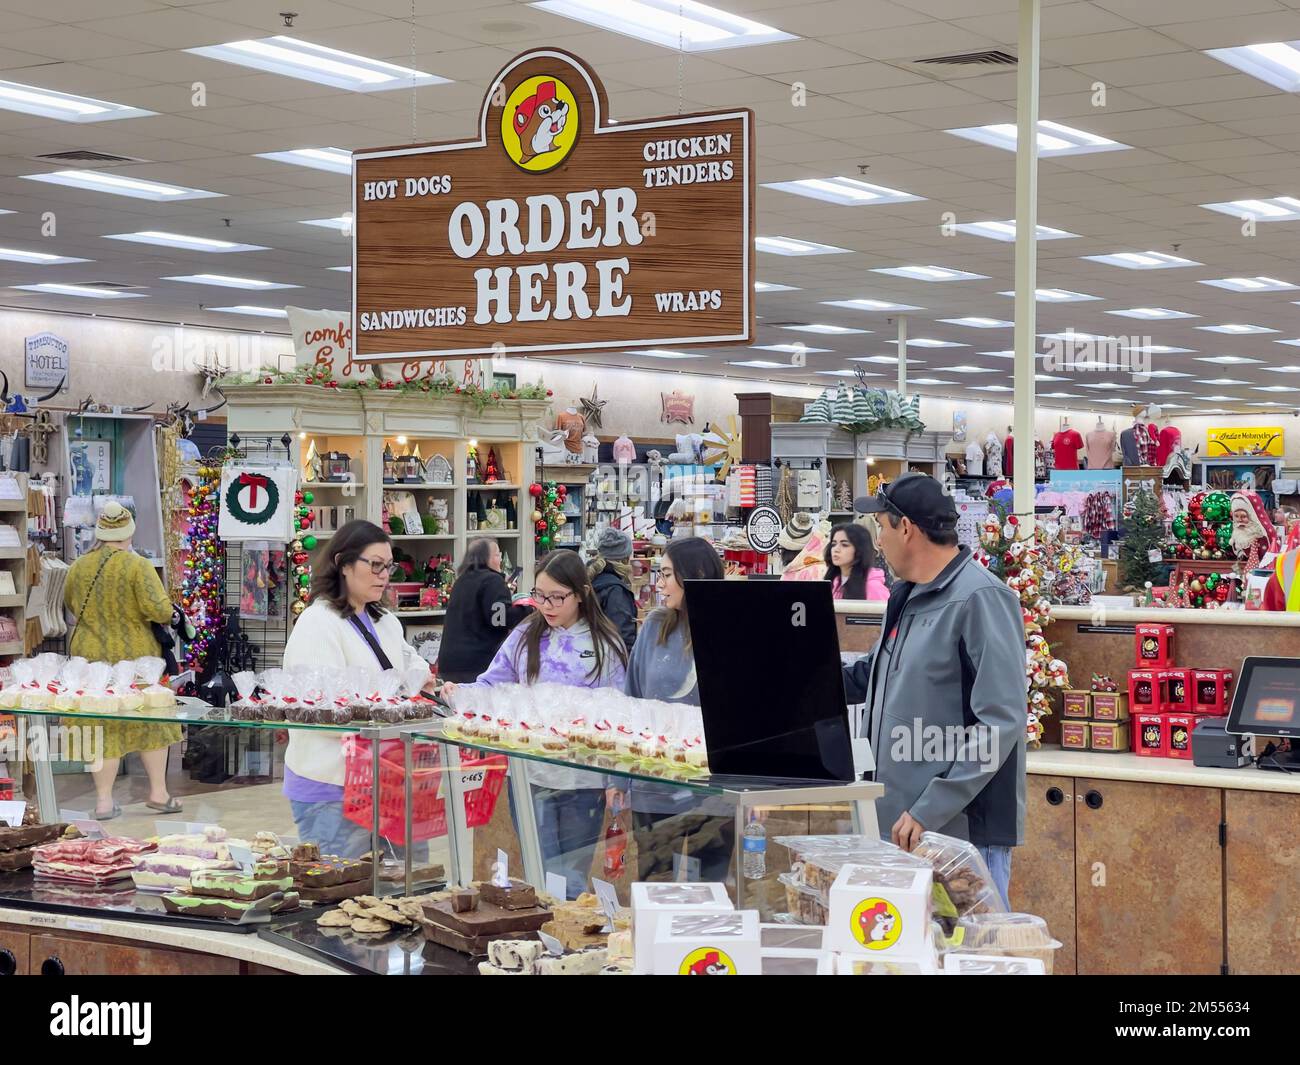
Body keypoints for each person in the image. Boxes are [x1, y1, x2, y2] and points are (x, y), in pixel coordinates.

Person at [844, 474, 1027, 906]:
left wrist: (929, 809)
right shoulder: (907, 597)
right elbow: (872, 675)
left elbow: (1000, 721)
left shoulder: (980, 598)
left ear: (905, 527)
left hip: (960, 835)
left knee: (973, 956)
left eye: (881, 528)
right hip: (901, 828)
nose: (878, 541)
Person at [443, 550, 628, 898]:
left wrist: (617, 778)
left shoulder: (605, 643)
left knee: (571, 874)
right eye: (540, 595)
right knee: (539, 867)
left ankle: (567, 937)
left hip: (583, 778)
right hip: (529, 775)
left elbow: (620, 714)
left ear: (581, 594)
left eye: (557, 597)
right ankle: (546, 932)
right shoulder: (526, 634)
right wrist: (461, 693)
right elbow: (493, 683)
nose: (547, 604)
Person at [281, 520, 431, 857]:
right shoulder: (318, 623)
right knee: (341, 890)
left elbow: (410, 666)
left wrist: (423, 681)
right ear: (343, 564)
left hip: (390, 781)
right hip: (333, 785)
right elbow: (322, 705)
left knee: (407, 885)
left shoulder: (385, 621)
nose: (383, 575)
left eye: (388, 566)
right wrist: (392, 707)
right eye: (375, 564)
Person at [624, 537, 735, 882]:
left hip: (713, 791)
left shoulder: (731, 629)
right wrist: (620, 775)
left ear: (696, 574)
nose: (660, 582)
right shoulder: (655, 626)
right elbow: (633, 699)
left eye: (669, 574)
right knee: (655, 889)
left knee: (709, 893)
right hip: (653, 786)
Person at [64, 502, 183, 820]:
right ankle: (158, 793)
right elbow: (159, 610)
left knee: (101, 727)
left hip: (90, 659)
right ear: (129, 532)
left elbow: (72, 605)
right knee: (152, 721)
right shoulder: (138, 566)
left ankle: (103, 801)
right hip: (136, 659)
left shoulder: (79, 567)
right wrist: (174, 614)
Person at [436, 537, 530, 683]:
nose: (500, 560)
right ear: (489, 558)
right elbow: (499, 619)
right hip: (477, 664)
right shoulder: (493, 581)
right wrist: (528, 610)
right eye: (498, 555)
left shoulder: (462, 581)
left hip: (450, 663)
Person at [588, 528, 638, 651]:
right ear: (626, 558)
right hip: (611, 661)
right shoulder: (615, 590)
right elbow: (623, 636)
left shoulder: (591, 577)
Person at [824, 522, 889, 600]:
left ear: (859, 549)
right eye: (834, 544)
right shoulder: (834, 583)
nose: (836, 549)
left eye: (844, 545)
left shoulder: (873, 587)